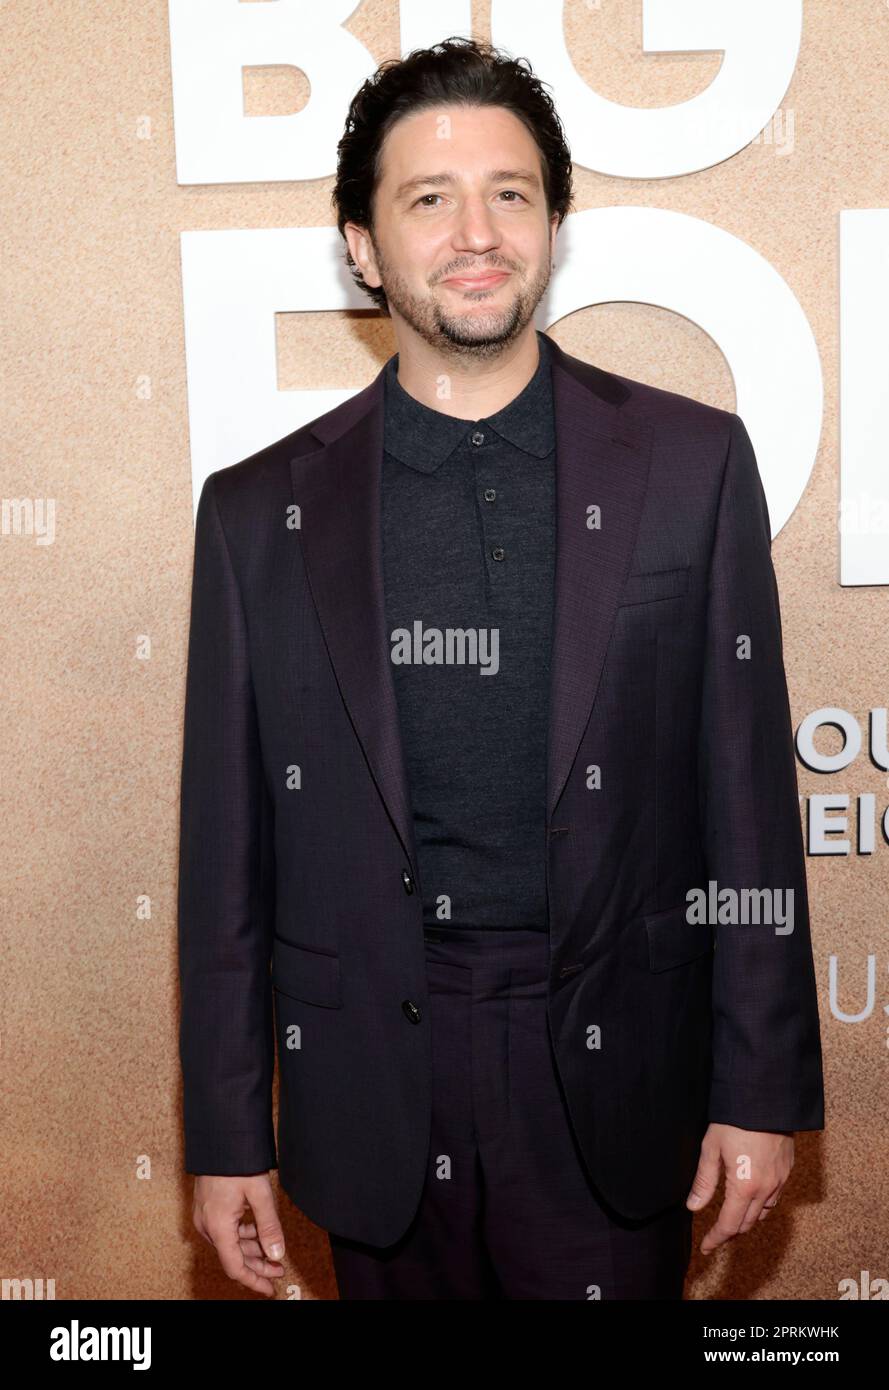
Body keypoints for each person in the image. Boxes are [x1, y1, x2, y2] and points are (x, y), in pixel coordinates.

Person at [177, 36, 824, 1301]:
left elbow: (748, 809)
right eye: (428, 199)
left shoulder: (690, 469)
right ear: (363, 246)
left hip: (612, 1075)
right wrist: (223, 1130)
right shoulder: (258, 515)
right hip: (370, 1070)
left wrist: (758, 1089)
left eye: (510, 193)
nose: (475, 232)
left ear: (553, 222)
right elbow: (225, 857)